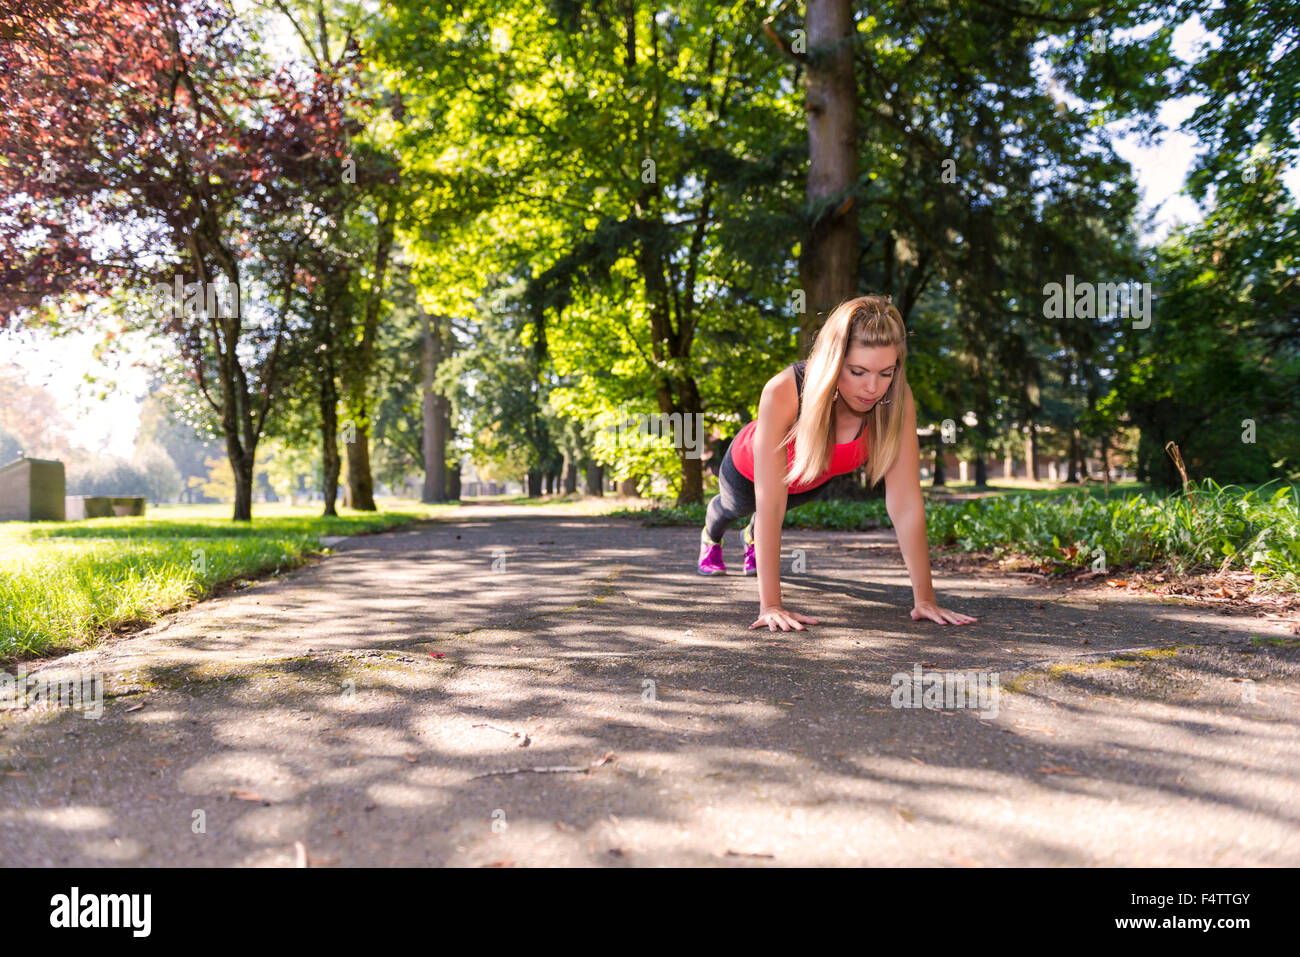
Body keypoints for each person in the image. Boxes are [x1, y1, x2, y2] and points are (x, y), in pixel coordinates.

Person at [698, 294, 979, 632]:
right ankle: (711, 535)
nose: (872, 387)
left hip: (811, 479)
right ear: (833, 361)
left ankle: (752, 537)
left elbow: (905, 503)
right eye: (858, 371)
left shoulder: (896, 400)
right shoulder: (784, 390)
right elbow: (770, 503)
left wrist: (925, 600)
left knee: (770, 515)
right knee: (736, 508)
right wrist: (771, 606)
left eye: (885, 372)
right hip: (746, 471)